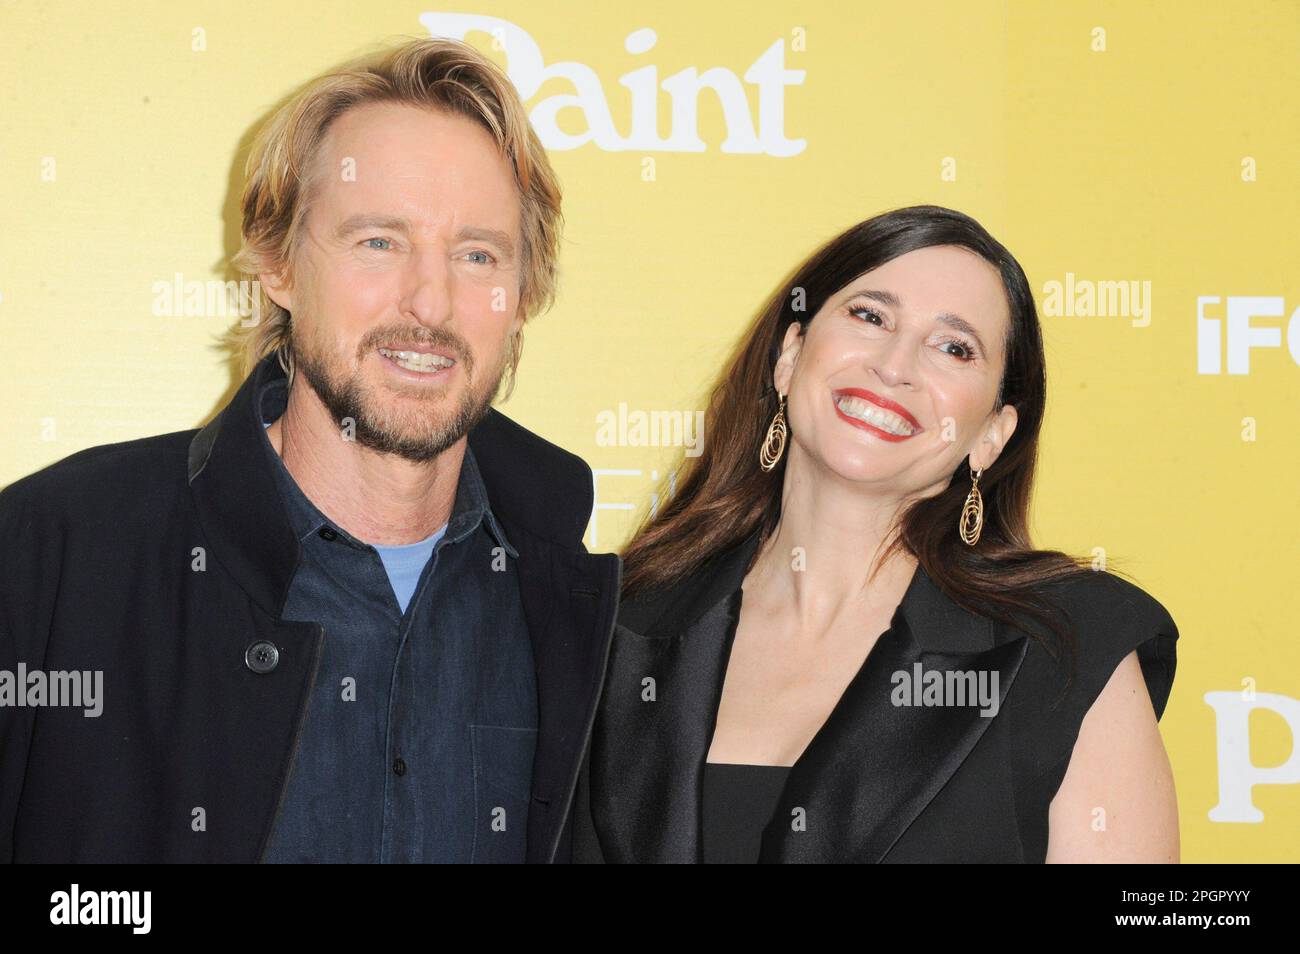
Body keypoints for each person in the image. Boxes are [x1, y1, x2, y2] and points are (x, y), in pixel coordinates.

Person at [0, 38, 619, 863]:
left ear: (523, 295)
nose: (430, 302)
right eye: (377, 241)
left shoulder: (583, 618)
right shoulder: (59, 554)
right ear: (276, 262)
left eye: (478, 255)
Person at [573, 205, 1179, 863]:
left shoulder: (1068, 647)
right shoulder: (610, 628)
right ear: (790, 356)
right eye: (871, 316)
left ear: (991, 435)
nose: (896, 365)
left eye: (954, 348)